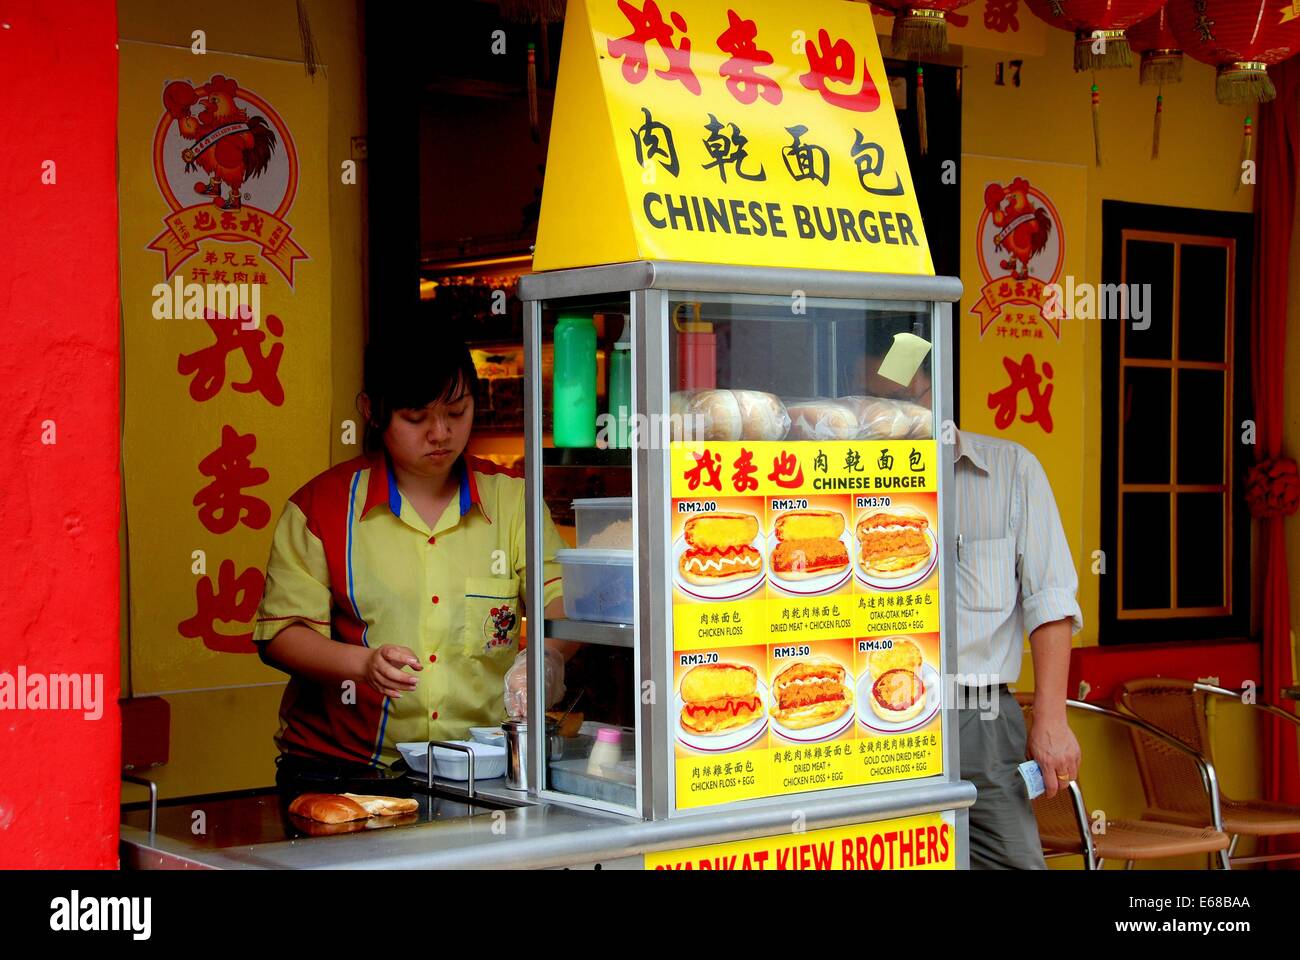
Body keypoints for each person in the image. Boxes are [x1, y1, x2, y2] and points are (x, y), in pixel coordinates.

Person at [253, 325, 567, 790]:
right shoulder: (321, 507)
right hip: (340, 771)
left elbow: (559, 603)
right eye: (416, 417)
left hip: (478, 769)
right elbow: (281, 634)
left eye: (456, 412)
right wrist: (361, 664)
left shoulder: (513, 502)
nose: (440, 433)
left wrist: (547, 658)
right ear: (371, 411)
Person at [953, 428, 1083, 869]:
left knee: (1012, 861)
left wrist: (1052, 720)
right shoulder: (844, 462)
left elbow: (1049, 600)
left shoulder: (1010, 469)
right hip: (863, 722)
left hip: (978, 717)